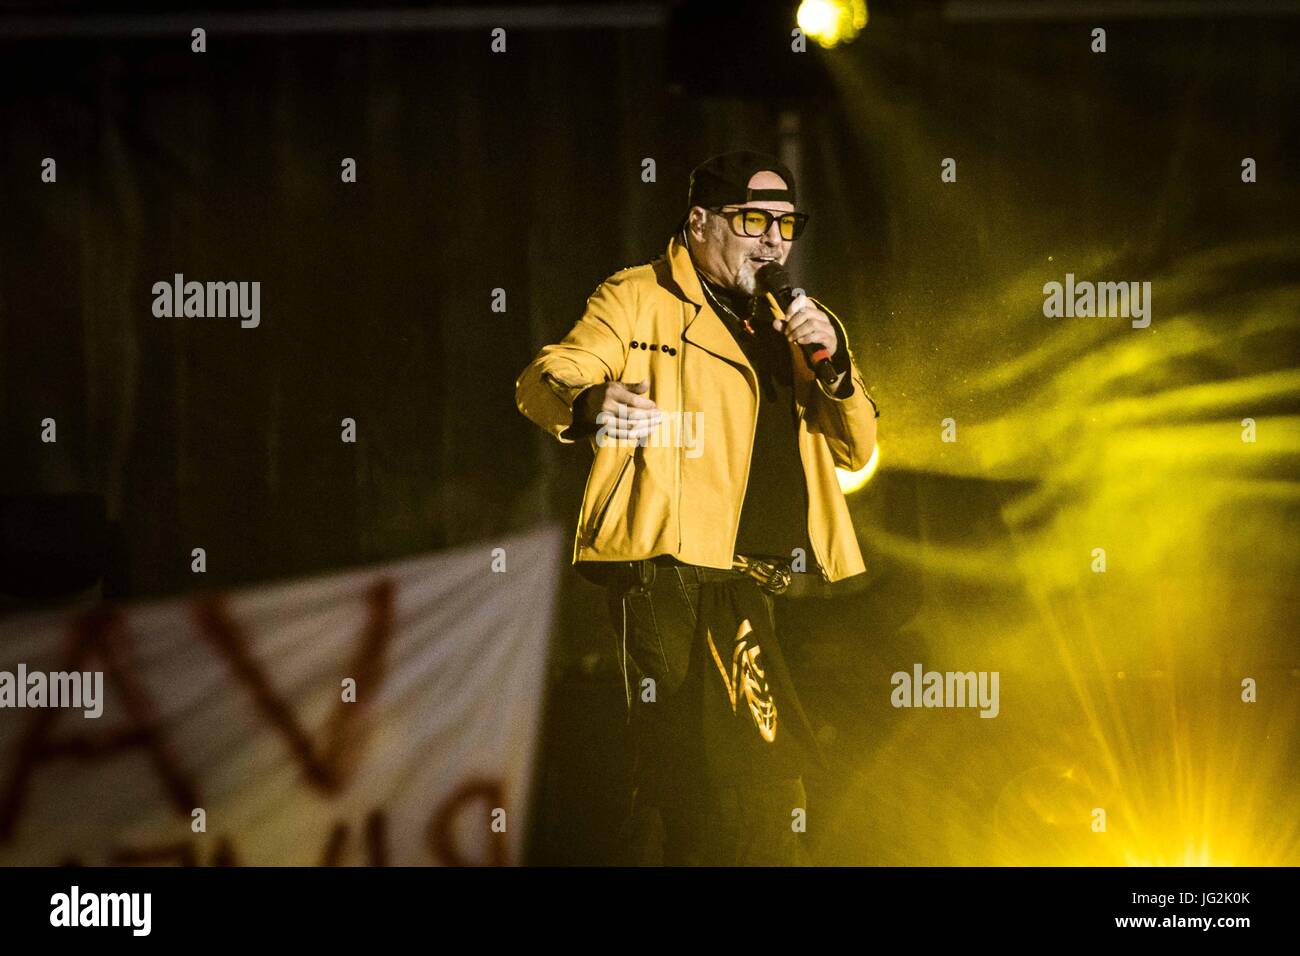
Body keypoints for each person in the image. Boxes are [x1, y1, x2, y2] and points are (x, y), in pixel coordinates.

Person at [515, 150, 879, 865]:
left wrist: (833, 368)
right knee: (676, 773)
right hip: (667, 571)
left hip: (757, 584)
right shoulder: (639, 296)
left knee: (763, 780)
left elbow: (857, 450)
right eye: (754, 220)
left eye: (786, 224)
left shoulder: (797, 324)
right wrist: (589, 403)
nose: (774, 240)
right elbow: (545, 376)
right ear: (700, 222)